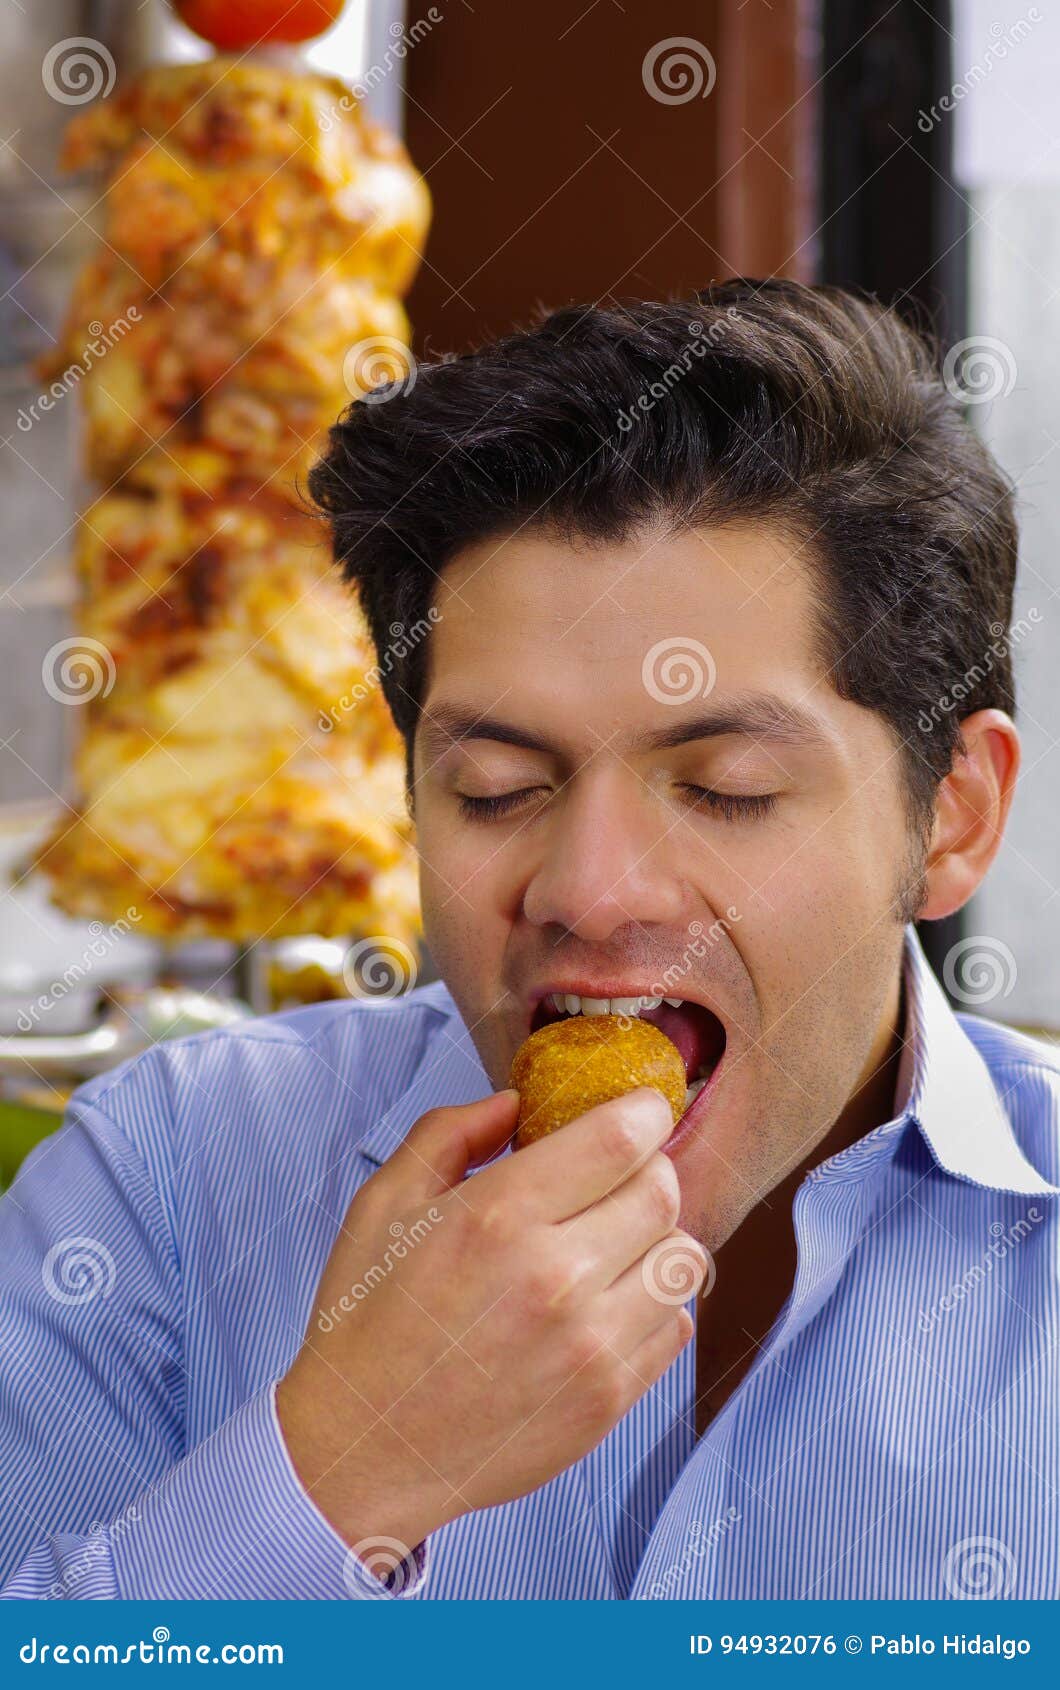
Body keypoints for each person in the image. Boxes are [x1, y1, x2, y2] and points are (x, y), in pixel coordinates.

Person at [2, 280, 1057, 1601]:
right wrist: (342, 1470)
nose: (590, 891)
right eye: (498, 790)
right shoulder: (158, 1186)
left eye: (725, 786)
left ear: (953, 817)